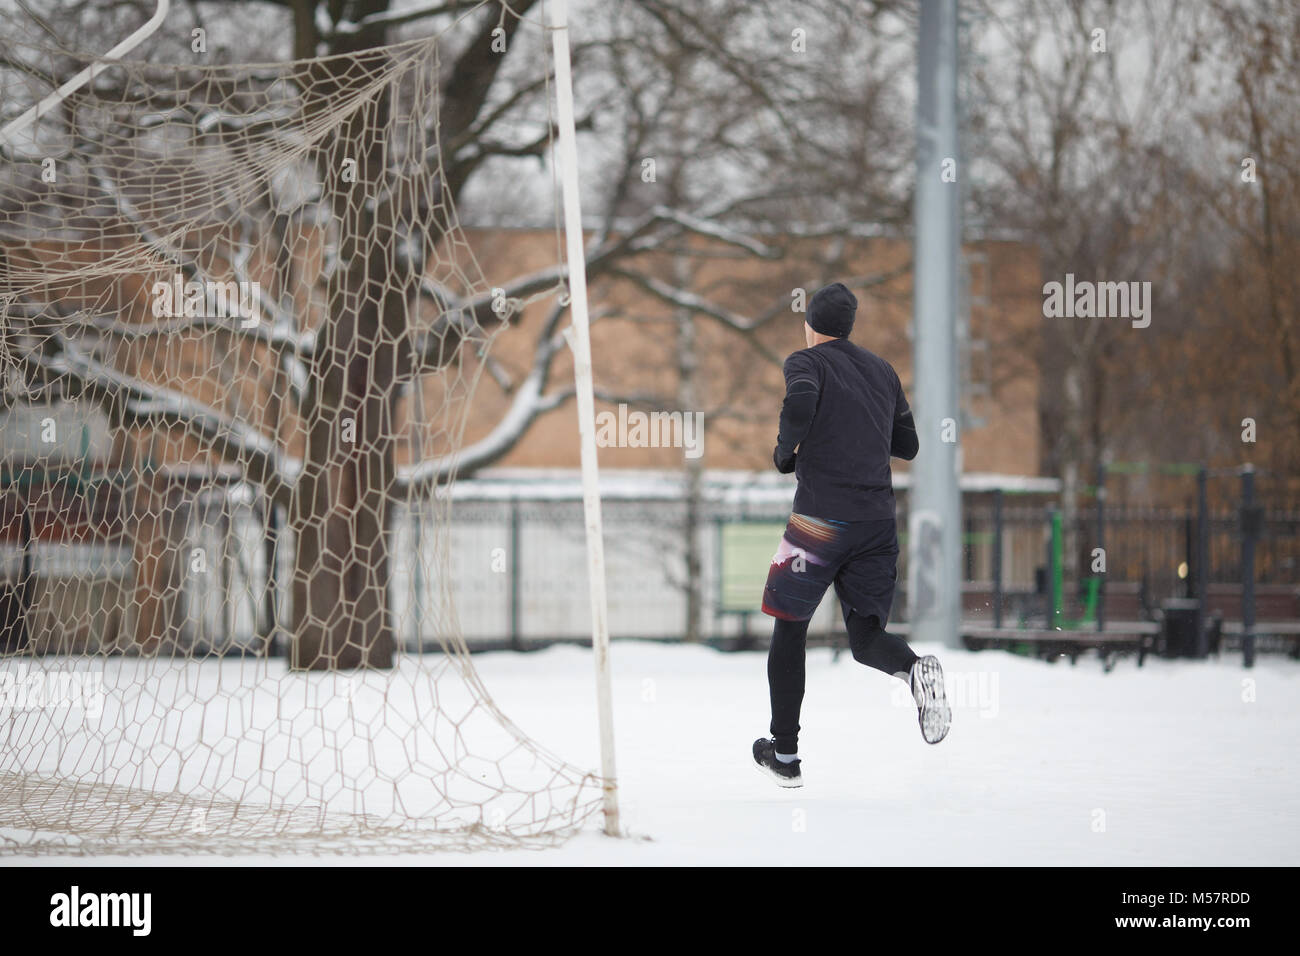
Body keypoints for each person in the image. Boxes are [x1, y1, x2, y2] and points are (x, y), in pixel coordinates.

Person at [753, 281, 950, 788]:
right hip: (876, 525)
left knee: (790, 626)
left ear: (810, 325)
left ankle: (787, 755)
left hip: (819, 521)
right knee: (866, 639)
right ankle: (913, 671)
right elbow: (907, 445)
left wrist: (784, 452)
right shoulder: (883, 371)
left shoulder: (806, 361)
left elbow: (799, 405)